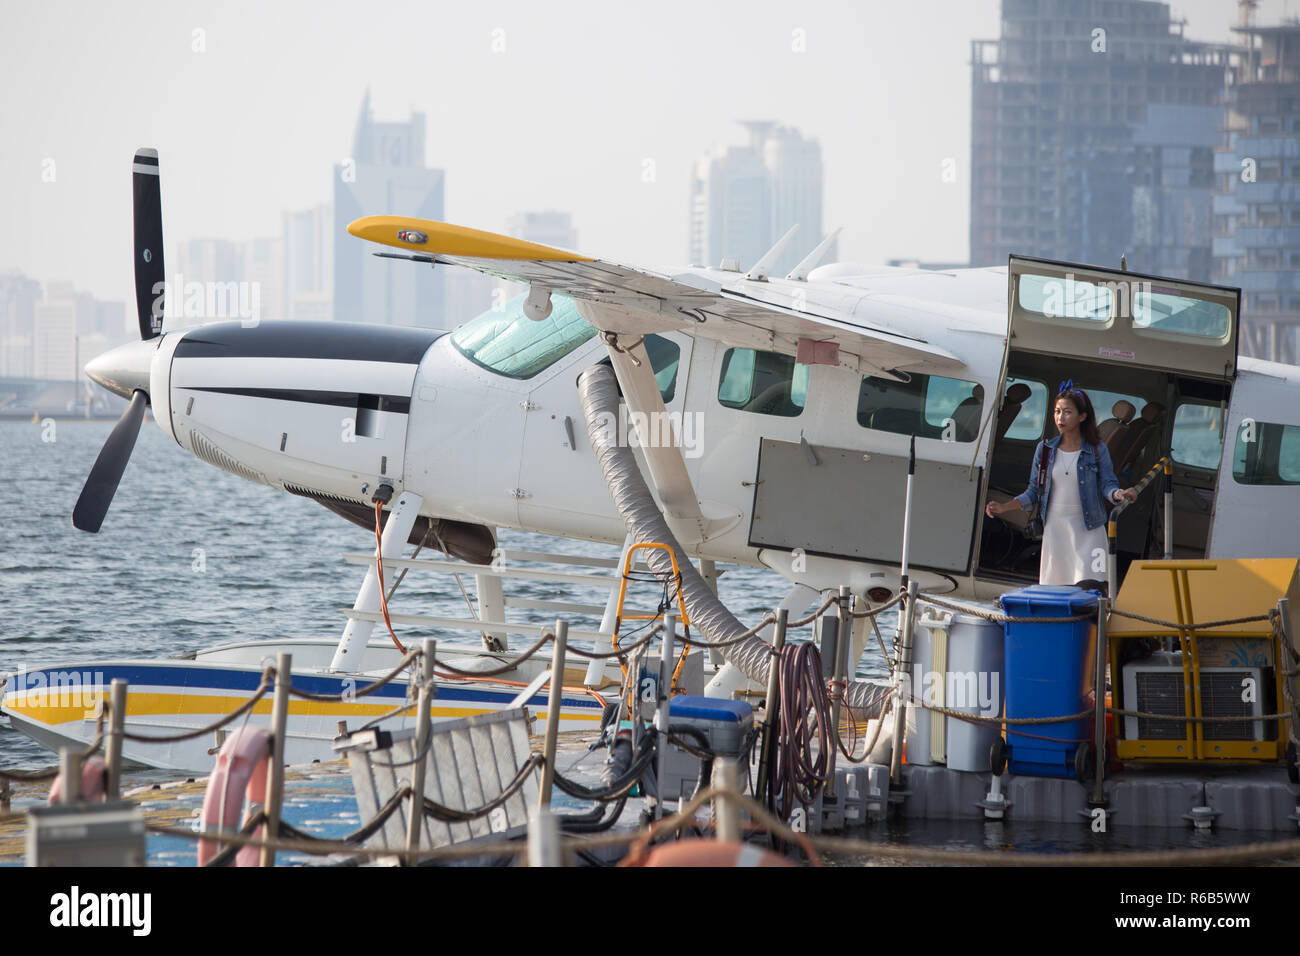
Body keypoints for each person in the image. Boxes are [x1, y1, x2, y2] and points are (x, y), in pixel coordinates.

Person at [985, 381, 1136, 586]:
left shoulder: (1097, 449)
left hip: (1089, 528)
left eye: (1067, 412)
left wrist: (1118, 494)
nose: (1060, 417)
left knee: (1091, 588)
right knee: (1054, 589)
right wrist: (1004, 507)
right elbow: (1032, 491)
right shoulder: (1045, 449)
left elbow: (1107, 484)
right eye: (1057, 411)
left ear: (1082, 416)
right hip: (1055, 528)